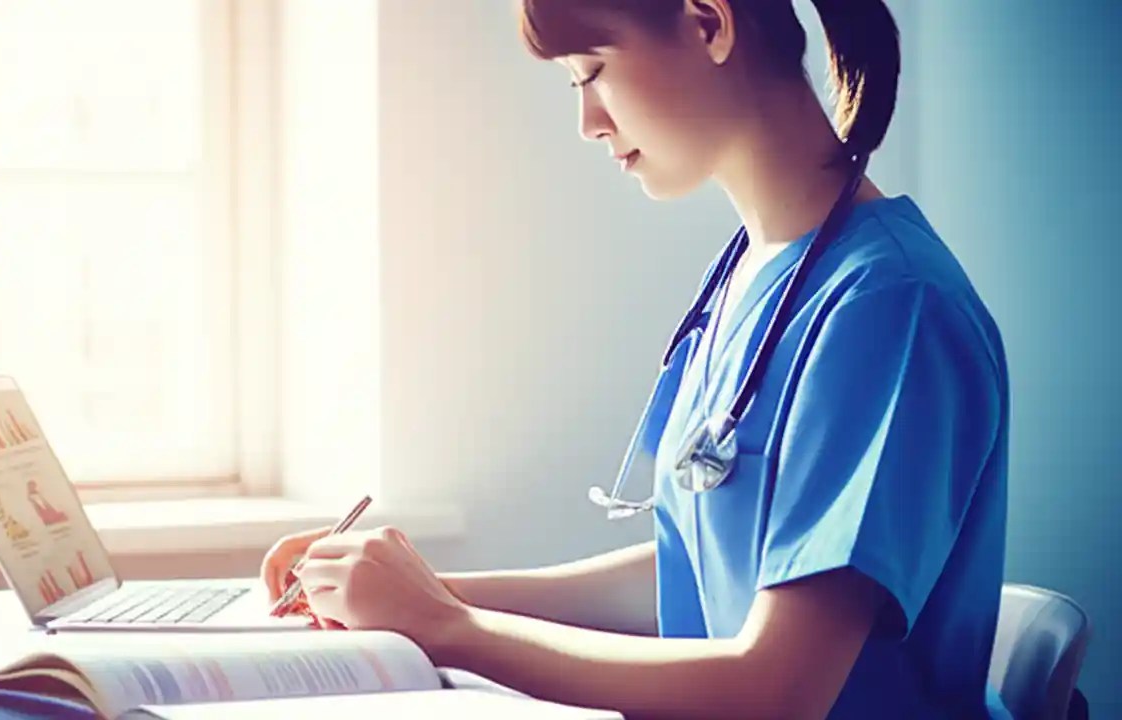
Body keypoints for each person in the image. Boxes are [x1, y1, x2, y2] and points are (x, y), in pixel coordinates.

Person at [260, 1, 1011, 717]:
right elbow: (699, 574)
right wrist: (415, 594)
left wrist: (448, 627)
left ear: (708, 22)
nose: (587, 122)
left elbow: (778, 690)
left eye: (590, 72)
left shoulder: (890, 307)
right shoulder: (754, 274)